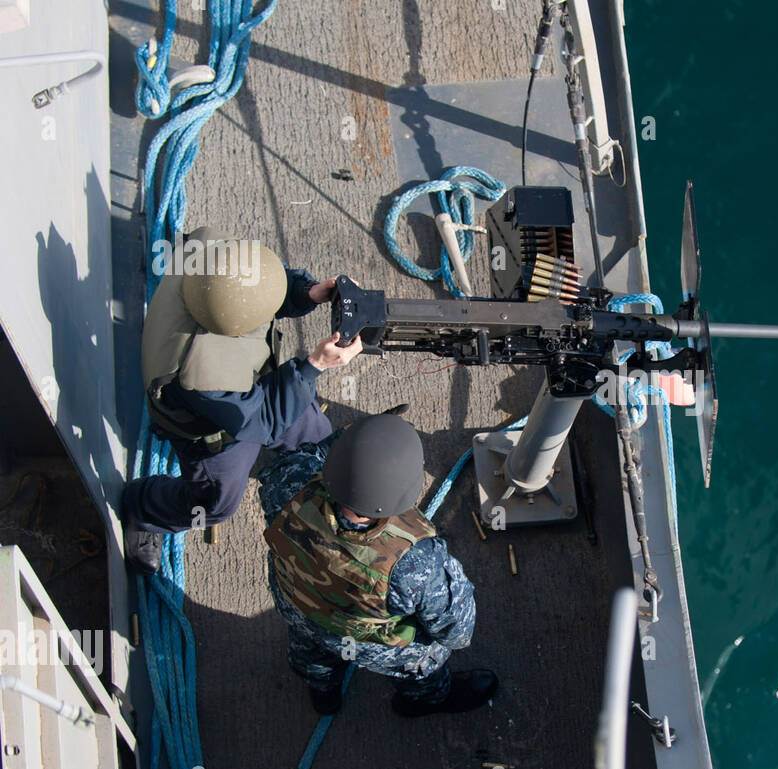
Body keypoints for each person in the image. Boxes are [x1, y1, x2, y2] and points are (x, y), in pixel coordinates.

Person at [121, 227, 363, 574]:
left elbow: (258, 284)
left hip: (251, 389)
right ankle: (145, 511)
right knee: (215, 504)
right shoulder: (201, 373)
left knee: (318, 440)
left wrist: (306, 292)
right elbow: (259, 421)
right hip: (215, 433)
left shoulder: (215, 262)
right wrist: (314, 367)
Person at [258, 412, 496, 716]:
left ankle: (324, 694)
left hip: (299, 609)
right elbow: (456, 632)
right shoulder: (417, 560)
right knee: (426, 662)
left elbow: (308, 456)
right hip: (369, 644)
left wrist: (352, 447)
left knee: (312, 654)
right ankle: (421, 700)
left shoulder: (289, 481)